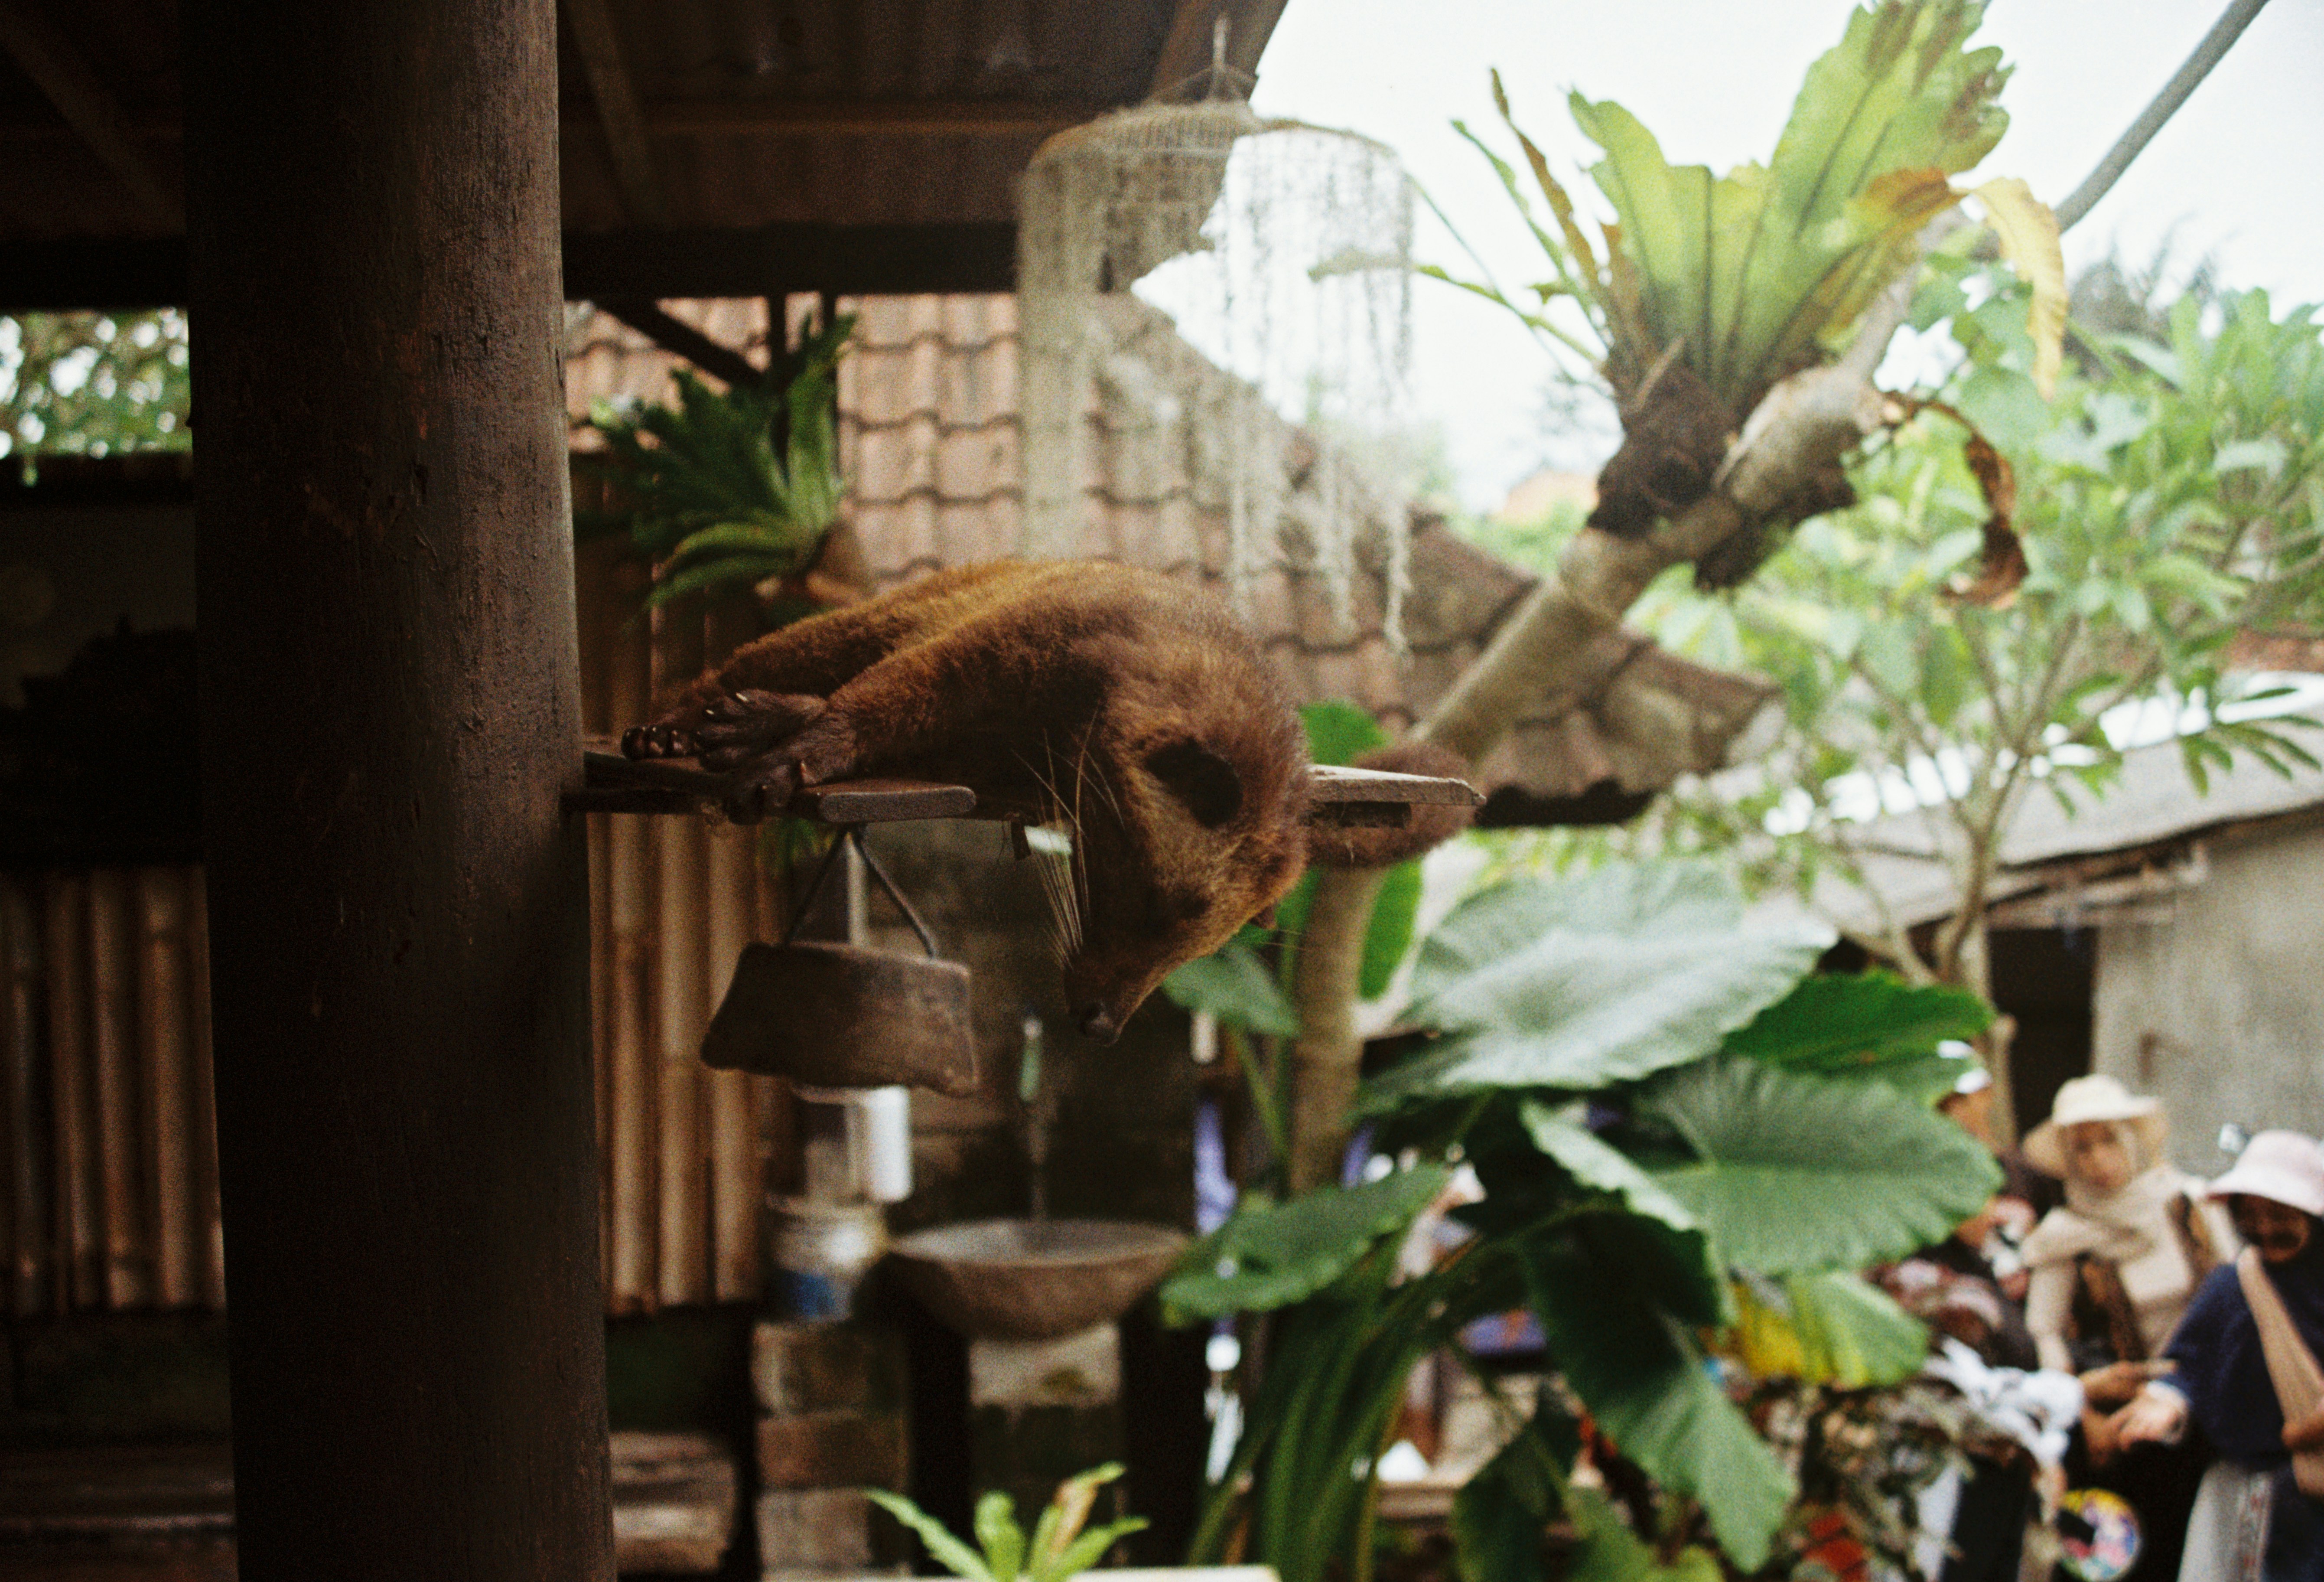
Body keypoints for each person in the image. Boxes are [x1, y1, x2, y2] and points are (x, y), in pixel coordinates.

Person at [2021, 1075, 2236, 1582]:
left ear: (2132, 1141)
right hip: (2121, 1422)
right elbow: (2042, 1329)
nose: (2098, 1159)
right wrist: (2082, 1410)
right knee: (2134, 1558)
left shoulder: (2188, 1203)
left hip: (2206, 1400)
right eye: (2082, 1148)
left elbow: (2236, 1291)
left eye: (2108, 1141)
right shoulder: (2064, 1235)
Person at [2117, 1130, 2324, 1582]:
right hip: (2253, 1492)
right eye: (2251, 1214)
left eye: (2280, 1214)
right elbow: (2191, 1363)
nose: (2264, 1228)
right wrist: (2168, 1399)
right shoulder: (2231, 1287)